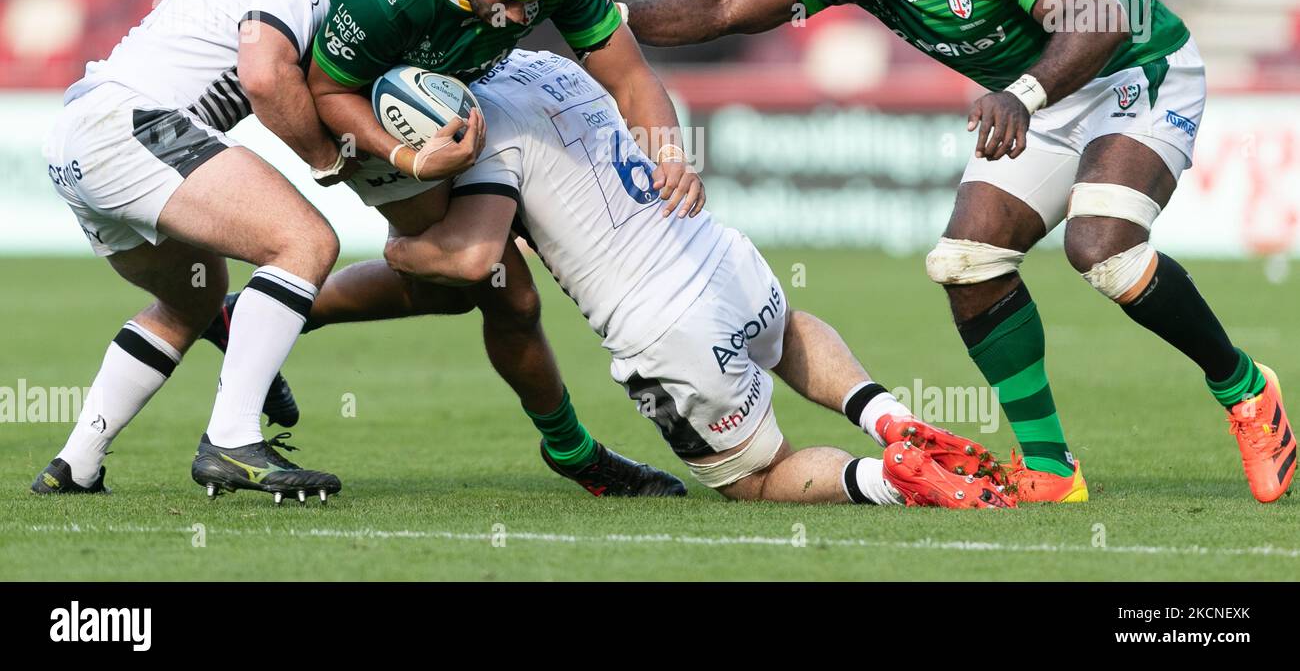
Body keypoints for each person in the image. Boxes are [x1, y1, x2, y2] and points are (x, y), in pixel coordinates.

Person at [621, 0, 1294, 504]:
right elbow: (725, 6)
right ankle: (1052, 469)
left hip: (1131, 70)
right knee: (967, 265)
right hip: (1041, 93)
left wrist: (1022, 96)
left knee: (1102, 250)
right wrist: (611, 18)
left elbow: (1102, 20)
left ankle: (1245, 391)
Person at [382, 49, 1012, 508]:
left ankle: (890, 480)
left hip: (663, 325)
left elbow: (471, 256)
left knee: (760, 479)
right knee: (785, 333)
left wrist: (401, 250)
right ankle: (890, 418)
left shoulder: (485, 131)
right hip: (714, 252)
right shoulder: (548, 62)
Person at [33, 0, 423, 501]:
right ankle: (233, 438)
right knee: (306, 242)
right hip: (136, 126)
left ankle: (77, 463)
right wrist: (328, 161)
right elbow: (265, 75)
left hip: (82, 130)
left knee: (192, 294)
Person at [291, 0, 701, 496]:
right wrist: (410, 156)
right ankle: (574, 452)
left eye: (527, 4)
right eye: (503, 1)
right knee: (495, 285)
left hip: (463, 99)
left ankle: (251, 313)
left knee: (476, 291)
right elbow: (327, 92)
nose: (515, 16)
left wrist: (670, 153)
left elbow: (630, 75)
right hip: (371, 118)